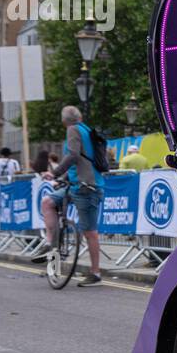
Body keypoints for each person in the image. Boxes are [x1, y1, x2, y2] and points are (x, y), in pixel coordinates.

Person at [31, 105, 105, 287]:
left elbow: (72, 155)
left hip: (87, 187)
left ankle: (95, 274)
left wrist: (55, 173)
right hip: (75, 185)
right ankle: (50, 243)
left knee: (90, 232)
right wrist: (62, 178)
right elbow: (79, 161)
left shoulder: (72, 130)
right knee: (48, 202)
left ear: (65, 120)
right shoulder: (85, 129)